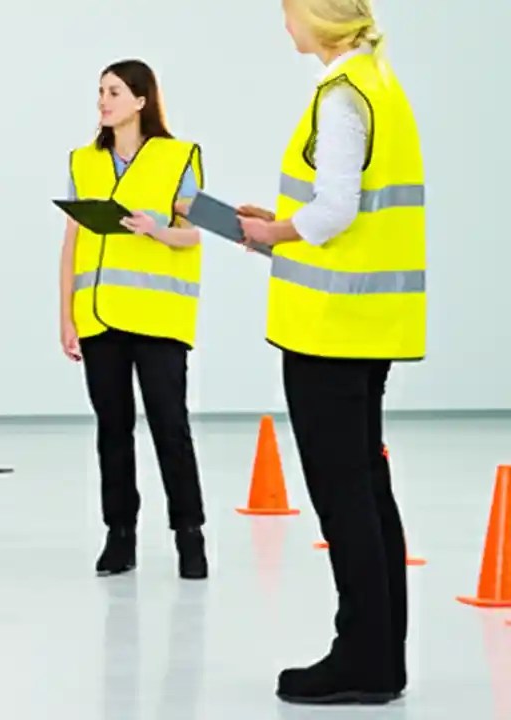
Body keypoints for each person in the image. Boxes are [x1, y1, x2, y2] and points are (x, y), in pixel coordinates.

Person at [236, 0, 424, 705]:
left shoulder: (342, 95)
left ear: (319, 18)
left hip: (330, 330)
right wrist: (280, 224)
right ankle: (381, 654)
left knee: (344, 495)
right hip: (362, 326)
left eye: (290, 11)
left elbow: (336, 209)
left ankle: (362, 660)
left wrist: (273, 233)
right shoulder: (378, 82)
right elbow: (348, 206)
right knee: (367, 489)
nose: (285, 24)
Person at [59, 59, 208, 581]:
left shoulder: (178, 156)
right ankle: (119, 535)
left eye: (115, 92)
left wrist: (156, 230)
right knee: (112, 430)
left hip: (159, 317)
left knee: (171, 427)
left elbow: (195, 232)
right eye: (100, 91)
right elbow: (72, 243)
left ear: (141, 100)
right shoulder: (83, 162)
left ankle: (190, 535)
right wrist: (66, 316)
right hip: (99, 318)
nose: (103, 101)